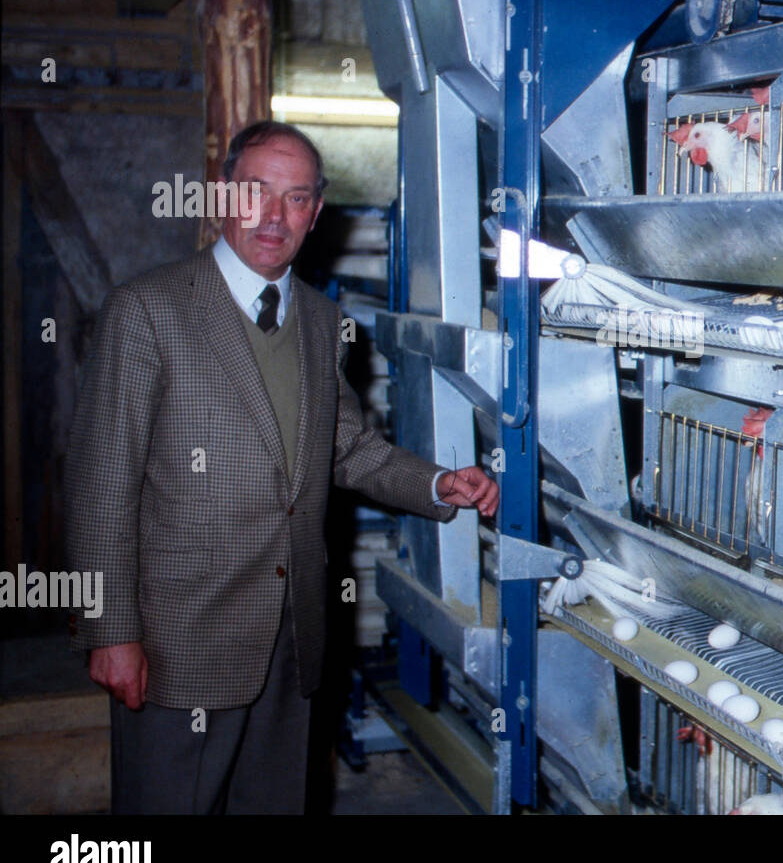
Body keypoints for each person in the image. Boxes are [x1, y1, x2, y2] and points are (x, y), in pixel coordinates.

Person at [65, 121, 498, 814]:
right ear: (221, 195)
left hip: (291, 644)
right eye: (256, 193)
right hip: (180, 647)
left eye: (295, 199)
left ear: (315, 214)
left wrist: (437, 483)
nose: (273, 217)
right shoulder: (148, 311)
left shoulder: (324, 325)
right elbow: (99, 487)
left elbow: (345, 447)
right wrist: (112, 631)